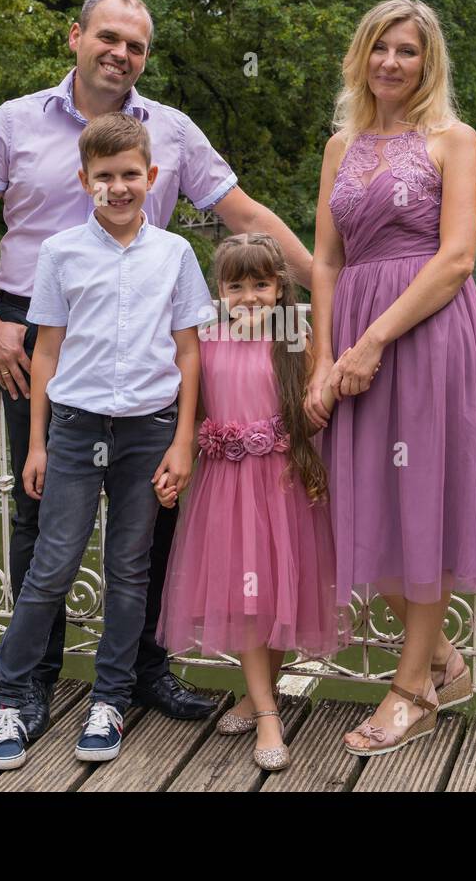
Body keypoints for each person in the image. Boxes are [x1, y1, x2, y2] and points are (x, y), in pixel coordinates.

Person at [0, 0, 313, 739]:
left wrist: (327, 287)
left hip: (145, 350)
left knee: (153, 523)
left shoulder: (170, 131)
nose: (121, 53)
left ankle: (141, 674)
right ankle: (32, 683)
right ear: (75, 37)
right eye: (108, 37)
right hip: (35, 336)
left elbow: (244, 215)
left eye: (136, 45)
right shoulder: (14, 122)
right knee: (38, 519)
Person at [0, 113, 214, 769]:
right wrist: (37, 445)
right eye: (105, 177)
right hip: (77, 432)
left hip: (149, 432)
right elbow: (45, 353)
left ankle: (109, 699)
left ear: (152, 177)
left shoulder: (175, 254)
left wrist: (183, 443)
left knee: (129, 571)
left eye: (130, 175)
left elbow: (188, 354)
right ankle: (5, 697)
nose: (118, 187)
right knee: (51, 566)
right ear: (84, 181)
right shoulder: (60, 253)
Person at [304, 0, 476, 756]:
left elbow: (456, 259)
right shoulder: (340, 146)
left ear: (429, 62)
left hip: (423, 338)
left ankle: (411, 688)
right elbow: (326, 259)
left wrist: (373, 342)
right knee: (349, 502)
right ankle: (444, 660)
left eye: (408, 51)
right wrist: (325, 354)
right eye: (380, 48)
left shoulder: (455, 140)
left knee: (421, 505)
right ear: (362, 55)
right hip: (351, 336)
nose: (391, 62)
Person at [154, 233, 349, 770]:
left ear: (280, 286)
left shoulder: (296, 337)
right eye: (235, 286)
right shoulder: (205, 337)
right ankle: (267, 711)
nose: (249, 297)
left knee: (275, 595)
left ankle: (257, 697)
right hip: (226, 488)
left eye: (260, 284)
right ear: (218, 290)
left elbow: (317, 404)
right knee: (244, 598)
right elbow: (190, 412)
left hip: (283, 485)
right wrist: (180, 458)